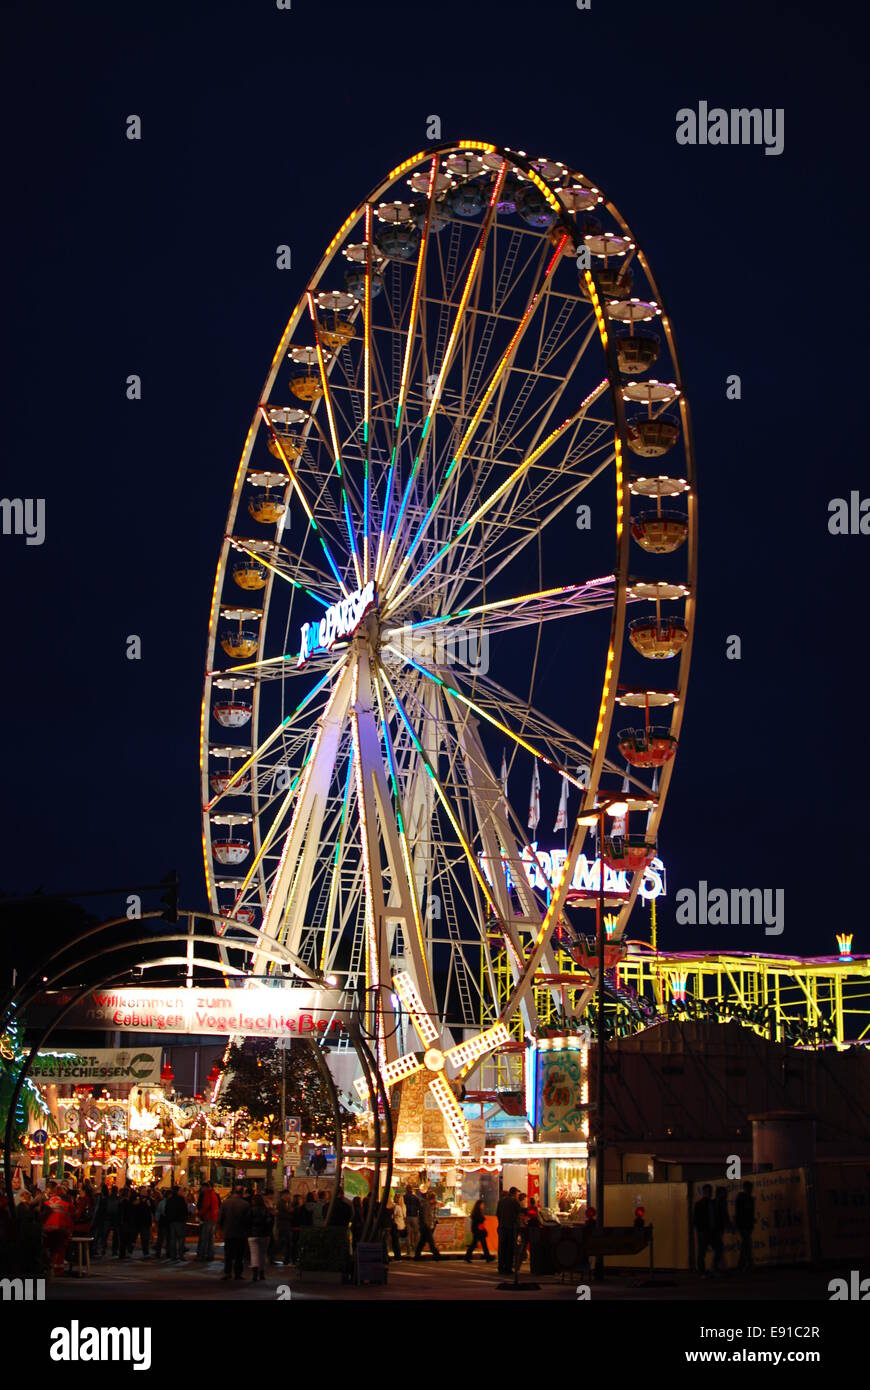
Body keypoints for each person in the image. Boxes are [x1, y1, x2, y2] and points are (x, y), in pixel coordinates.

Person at [42, 1182, 73, 1276]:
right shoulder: (66, 1204)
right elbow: (71, 1216)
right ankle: (58, 1269)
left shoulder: (46, 1203)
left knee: (47, 1248)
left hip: (47, 1230)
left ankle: (48, 1267)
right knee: (60, 1250)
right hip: (61, 1230)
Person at [220, 1185, 250, 1280]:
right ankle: (238, 1273)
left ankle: (227, 1272)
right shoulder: (245, 1204)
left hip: (228, 1231)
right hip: (240, 1232)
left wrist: (220, 1229)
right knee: (239, 1254)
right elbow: (248, 1220)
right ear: (241, 1193)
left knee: (228, 1254)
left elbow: (221, 1218)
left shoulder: (225, 1203)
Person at [246, 1192, 273, 1281]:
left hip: (252, 1235)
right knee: (262, 1254)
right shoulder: (266, 1210)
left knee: (254, 1254)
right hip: (264, 1235)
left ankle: (254, 1274)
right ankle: (261, 1274)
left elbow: (247, 1222)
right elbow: (269, 1221)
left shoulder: (250, 1210)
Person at [693, 1183, 718, 1275]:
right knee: (702, 1252)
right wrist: (700, 1231)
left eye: (710, 1191)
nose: (709, 1193)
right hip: (704, 1231)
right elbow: (696, 1219)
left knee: (705, 1251)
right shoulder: (701, 1204)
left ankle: (706, 1270)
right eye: (708, 1191)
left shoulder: (711, 1203)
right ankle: (703, 1271)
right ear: (704, 1192)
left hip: (710, 1231)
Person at [496, 1186, 521, 1274]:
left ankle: (500, 1266)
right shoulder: (515, 1201)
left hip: (502, 1227)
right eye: (518, 1193)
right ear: (514, 1193)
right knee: (510, 1248)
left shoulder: (501, 1201)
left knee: (502, 1248)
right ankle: (508, 1267)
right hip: (511, 1228)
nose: (518, 1195)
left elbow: (497, 1214)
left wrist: (501, 1222)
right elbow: (519, 1213)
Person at [414, 1190, 441, 1260]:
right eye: (434, 1198)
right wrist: (428, 1225)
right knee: (431, 1242)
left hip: (425, 1226)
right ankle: (436, 1254)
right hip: (426, 1226)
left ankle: (417, 1255)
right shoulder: (426, 1205)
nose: (435, 1200)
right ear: (431, 1199)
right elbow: (425, 1216)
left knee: (422, 1241)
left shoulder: (427, 1204)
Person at [164, 1185, 188, 1263]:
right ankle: (180, 1255)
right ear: (177, 1191)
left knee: (173, 1239)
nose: (182, 1192)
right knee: (181, 1239)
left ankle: (173, 1256)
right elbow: (184, 1210)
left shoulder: (169, 1200)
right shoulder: (181, 1199)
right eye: (180, 1190)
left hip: (171, 1222)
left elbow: (166, 1210)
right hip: (179, 1221)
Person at [197, 1181, 220, 1262]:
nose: (201, 1189)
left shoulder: (207, 1194)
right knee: (210, 1238)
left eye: (202, 1187)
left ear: (205, 1187)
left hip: (208, 1217)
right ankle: (210, 1255)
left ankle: (201, 1256)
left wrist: (199, 1214)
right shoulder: (214, 1194)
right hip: (213, 1218)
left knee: (204, 1238)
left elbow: (205, 1206)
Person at [465, 1197, 493, 1263]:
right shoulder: (477, 1213)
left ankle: (468, 1256)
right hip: (478, 1230)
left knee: (479, 1244)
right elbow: (479, 1221)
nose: (483, 1206)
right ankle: (487, 1257)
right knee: (477, 1244)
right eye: (482, 1204)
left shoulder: (477, 1212)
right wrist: (483, 1219)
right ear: (479, 1205)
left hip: (477, 1230)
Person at [735, 1181, 755, 1271]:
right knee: (746, 1243)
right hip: (743, 1225)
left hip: (747, 1224)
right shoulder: (742, 1198)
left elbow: (750, 1213)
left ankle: (743, 1263)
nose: (750, 1190)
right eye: (749, 1188)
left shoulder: (749, 1199)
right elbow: (740, 1212)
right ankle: (747, 1263)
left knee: (746, 1244)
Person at [274, 1189, 294, 1265]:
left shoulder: (286, 1203)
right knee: (282, 1242)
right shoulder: (281, 1203)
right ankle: (275, 1256)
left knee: (285, 1242)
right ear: (285, 1195)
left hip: (285, 1226)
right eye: (289, 1195)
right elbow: (280, 1215)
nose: (290, 1196)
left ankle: (286, 1259)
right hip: (283, 1226)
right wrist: (290, 1215)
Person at [404, 1186, 421, 1252]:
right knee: (416, 1233)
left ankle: (408, 1250)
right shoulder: (416, 1197)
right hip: (415, 1217)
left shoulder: (404, 1197)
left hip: (407, 1216)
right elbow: (419, 1207)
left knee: (407, 1234)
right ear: (412, 1190)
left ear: (406, 1190)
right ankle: (416, 1249)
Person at [393, 1191, 408, 1257]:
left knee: (396, 1241)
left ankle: (397, 1254)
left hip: (397, 1225)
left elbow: (393, 1215)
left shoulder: (397, 1207)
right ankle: (407, 1250)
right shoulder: (404, 1206)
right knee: (400, 1240)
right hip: (402, 1225)